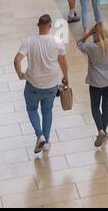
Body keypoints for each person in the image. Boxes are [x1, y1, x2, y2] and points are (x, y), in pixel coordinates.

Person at [15, 14, 69, 154]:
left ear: (38, 25)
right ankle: (46, 142)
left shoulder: (29, 41)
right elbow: (63, 62)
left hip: (33, 84)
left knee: (32, 109)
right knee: (47, 111)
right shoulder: (57, 41)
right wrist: (66, 77)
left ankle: (40, 136)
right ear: (50, 26)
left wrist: (20, 74)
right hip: (51, 84)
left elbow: (17, 59)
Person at [77, 21, 108, 148]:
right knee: (106, 106)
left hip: (96, 83)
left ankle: (101, 131)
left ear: (95, 33)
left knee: (95, 107)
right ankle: (104, 132)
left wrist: (88, 33)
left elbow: (79, 44)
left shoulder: (91, 47)